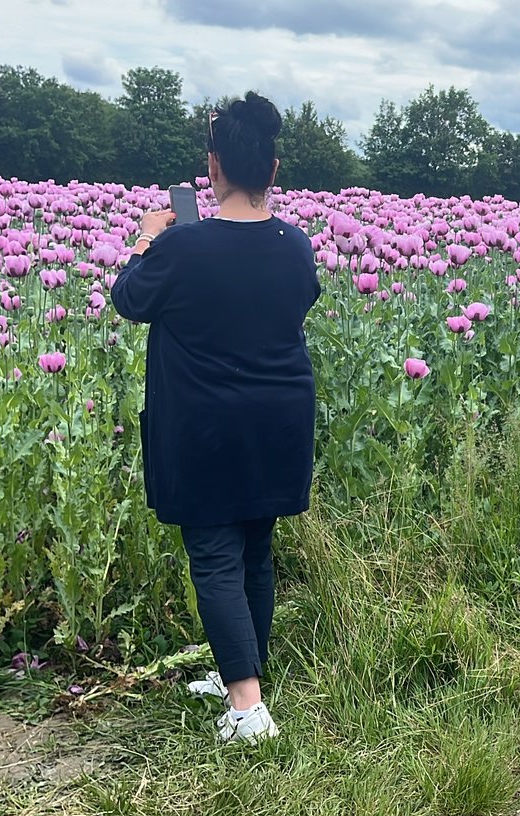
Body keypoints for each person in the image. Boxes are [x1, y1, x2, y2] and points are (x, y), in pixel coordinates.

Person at [112, 92, 320, 745]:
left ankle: (247, 709)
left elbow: (128, 299)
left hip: (205, 427)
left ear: (213, 167)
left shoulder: (185, 247)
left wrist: (149, 236)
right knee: (255, 550)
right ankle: (244, 672)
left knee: (214, 554)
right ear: (274, 171)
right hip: (279, 418)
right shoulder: (297, 246)